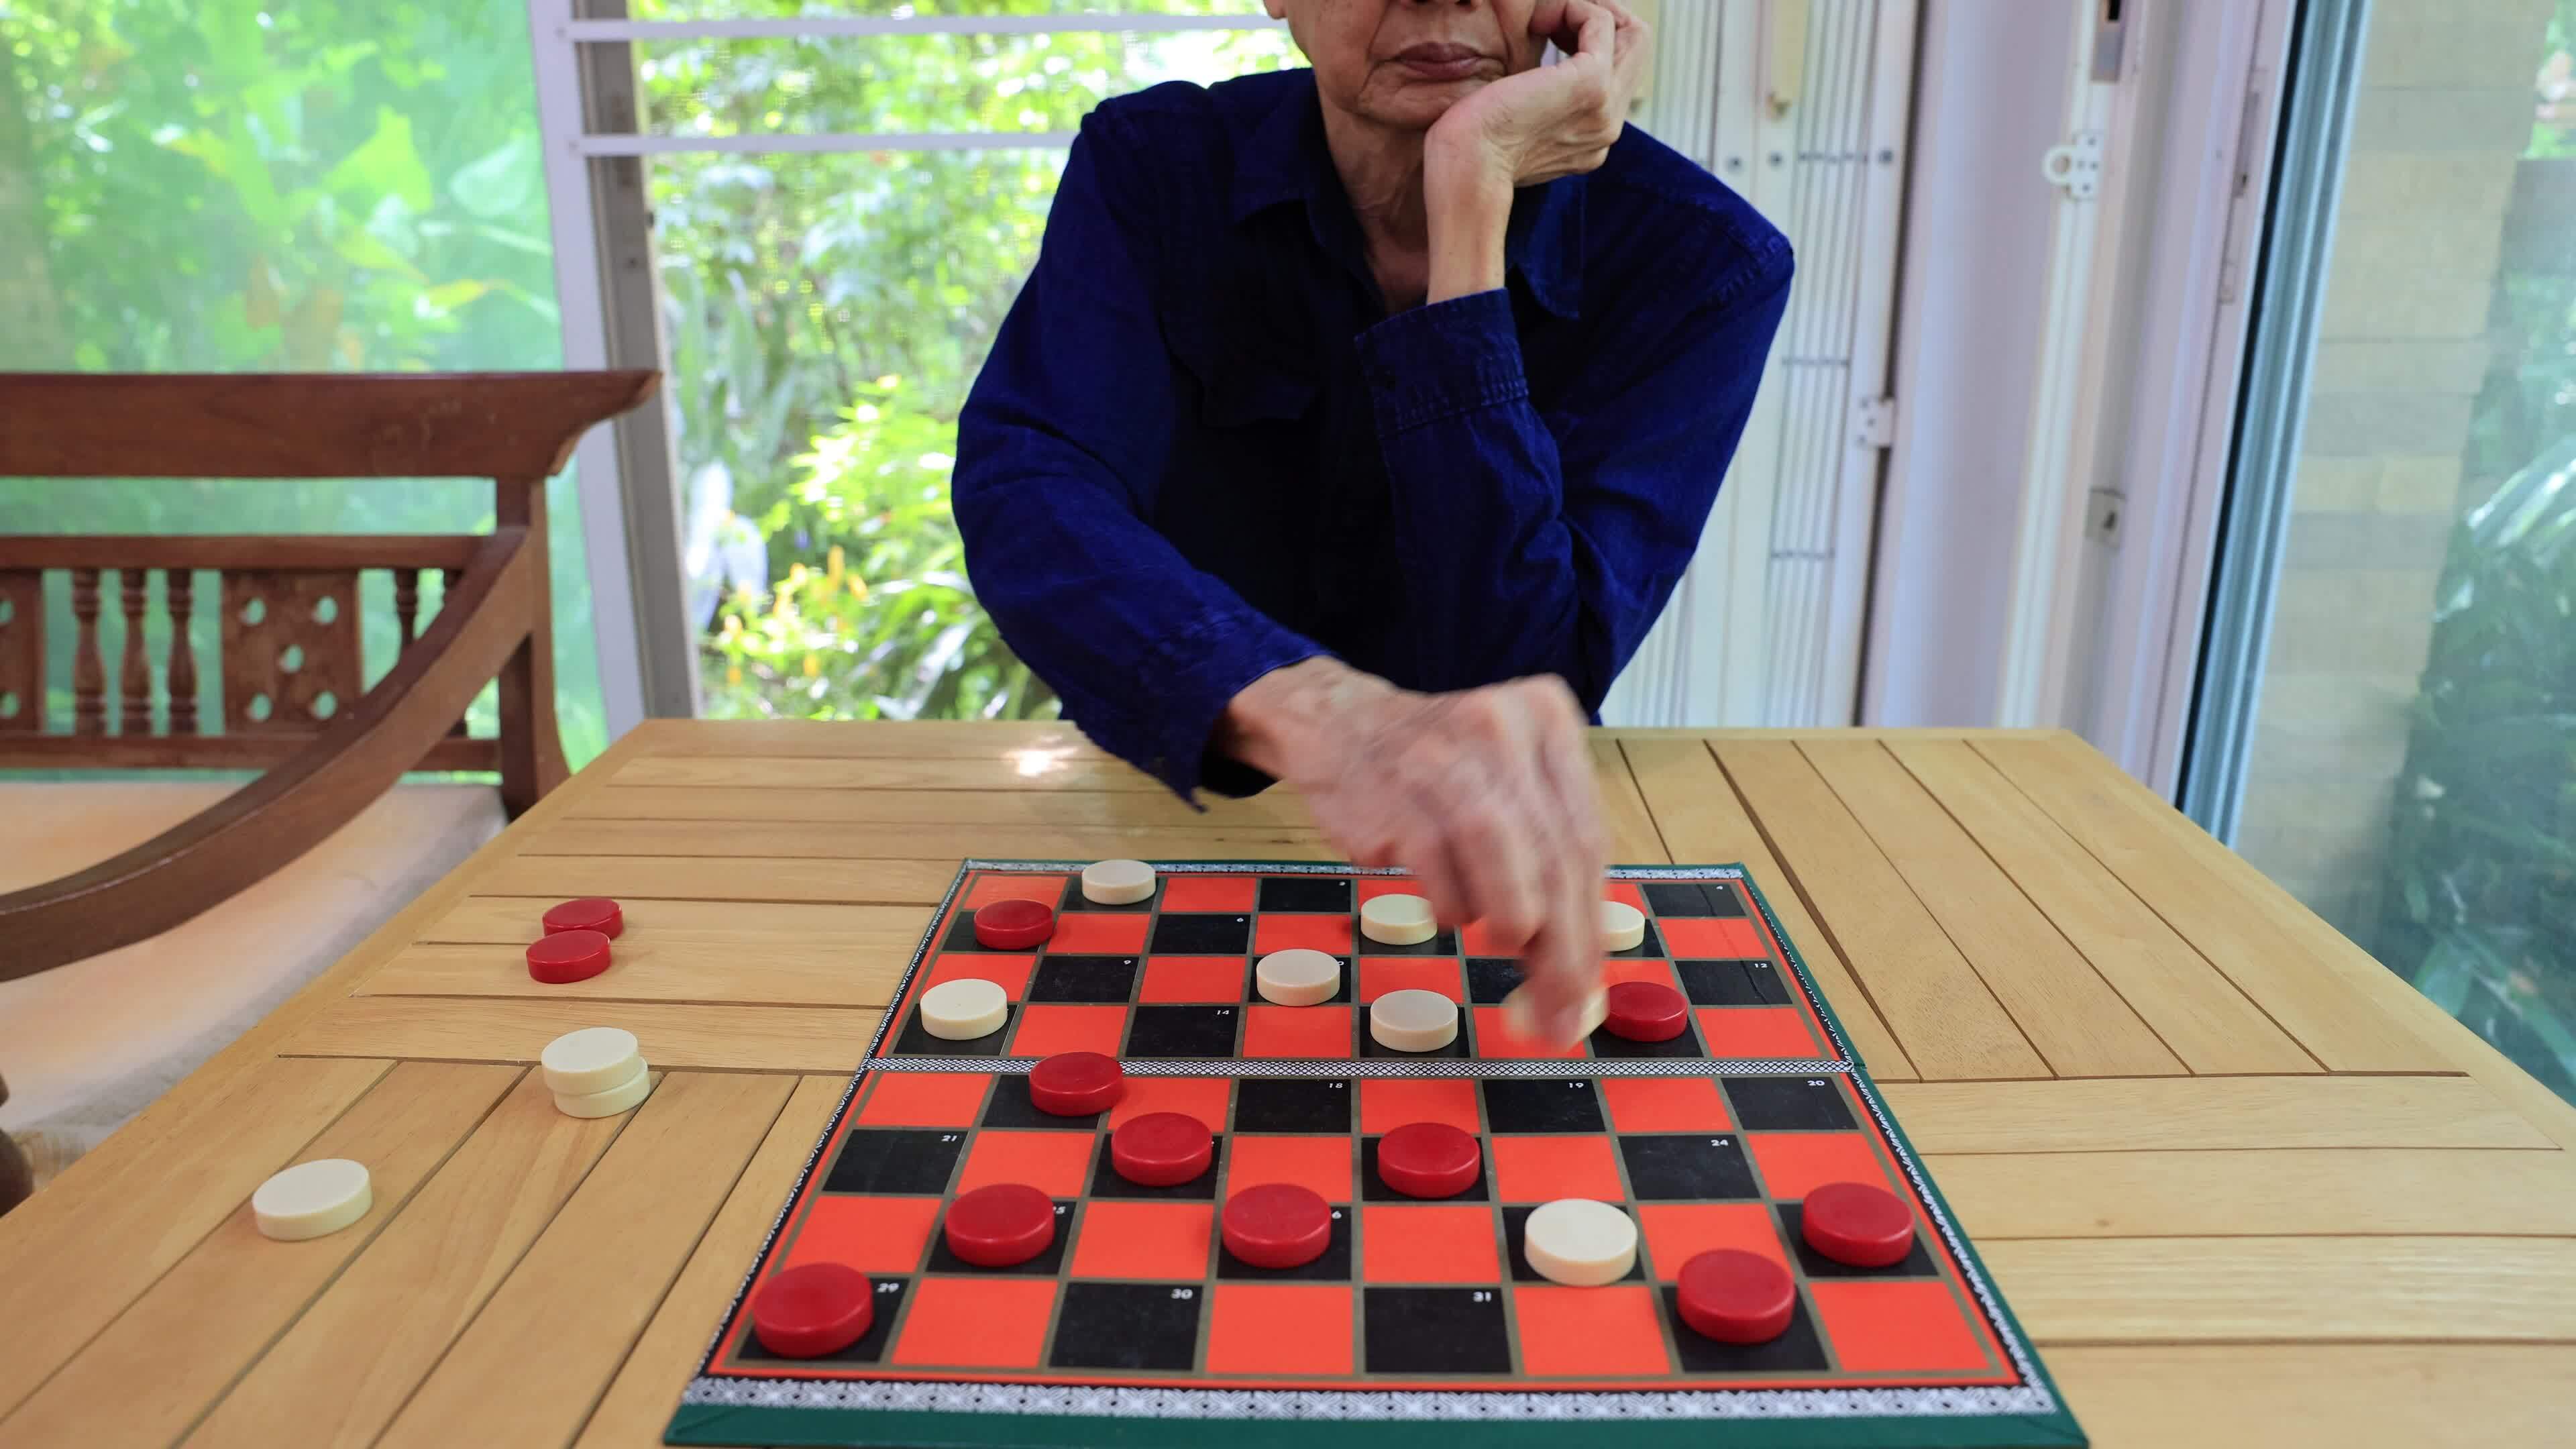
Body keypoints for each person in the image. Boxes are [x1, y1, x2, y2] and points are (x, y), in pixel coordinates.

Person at [952, 0, 1792, 1043]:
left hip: (1483, 865)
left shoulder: (1703, 265)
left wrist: (1471, 197)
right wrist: (1320, 712)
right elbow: (1029, 486)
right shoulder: (1154, 168)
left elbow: (1516, 663)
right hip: (1180, 819)